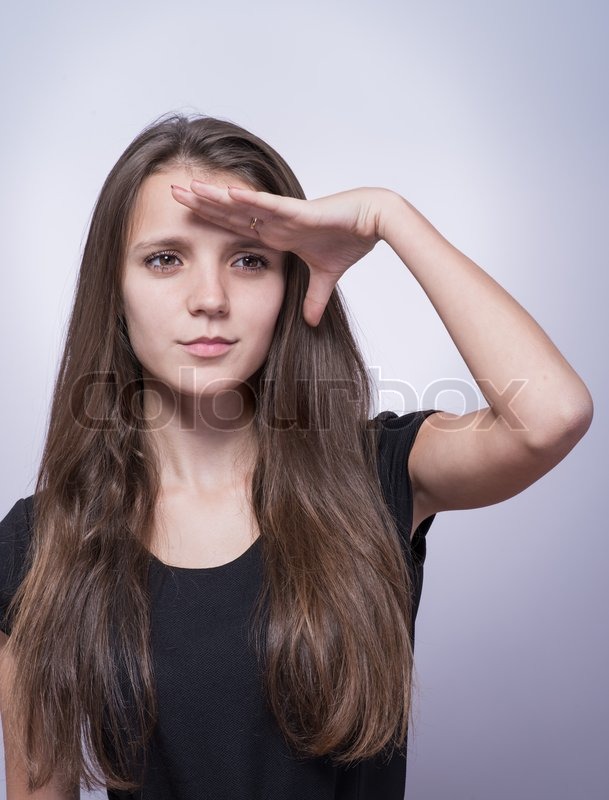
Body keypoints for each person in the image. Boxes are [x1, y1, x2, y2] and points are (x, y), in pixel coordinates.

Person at [0, 112, 593, 800]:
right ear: (115, 289)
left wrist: (387, 216)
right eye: (165, 259)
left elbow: (551, 415)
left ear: (290, 283)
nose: (210, 299)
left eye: (248, 260)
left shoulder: (372, 474)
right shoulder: (40, 543)